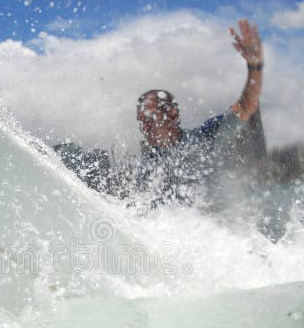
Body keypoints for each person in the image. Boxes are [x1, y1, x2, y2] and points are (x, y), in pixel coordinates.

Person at [58, 19, 264, 208]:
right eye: (141, 121)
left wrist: (254, 66)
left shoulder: (205, 136)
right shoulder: (147, 165)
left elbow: (246, 106)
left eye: (150, 118)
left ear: (172, 114)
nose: (145, 127)